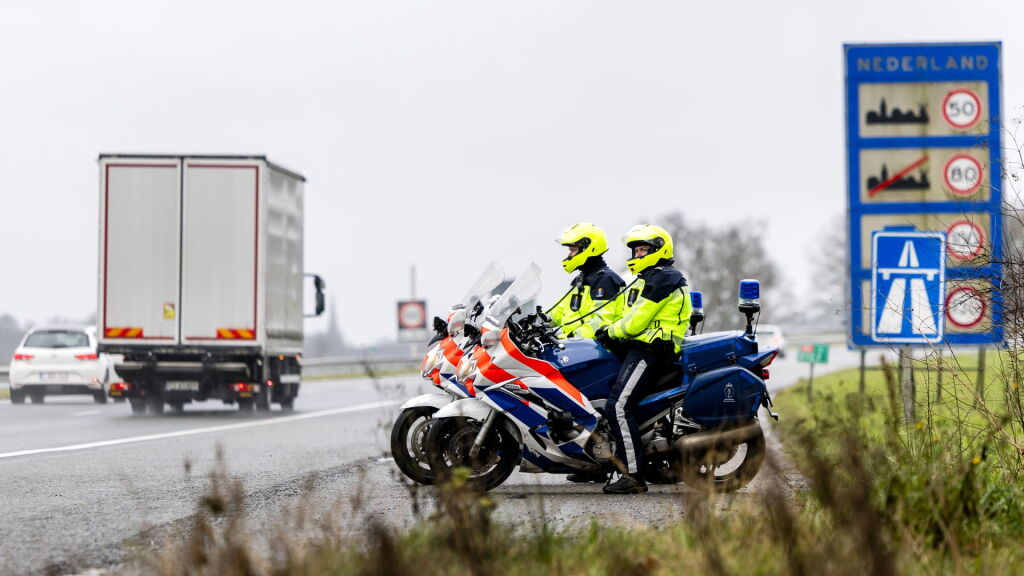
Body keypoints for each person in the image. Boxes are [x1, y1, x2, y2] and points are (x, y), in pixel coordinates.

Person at [594, 224, 692, 494]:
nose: (637, 255)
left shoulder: (664, 278)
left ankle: (633, 475)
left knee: (618, 406)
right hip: (638, 349)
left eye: (643, 249)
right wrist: (599, 331)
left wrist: (610, 333)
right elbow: (623, 315)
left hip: (651, 351)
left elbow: (636, 322)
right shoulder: (645, 278)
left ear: (659, 250)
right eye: (635, 250)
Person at [547, 223, 626, 339]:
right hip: (577, 346)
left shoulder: (606, 280)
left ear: (588, 248)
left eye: (573, 250)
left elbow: (601, 321)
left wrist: (569, 337)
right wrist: (534, 321)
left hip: (599, 348)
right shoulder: (580, 280)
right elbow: (559, 311)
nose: (569, 255)